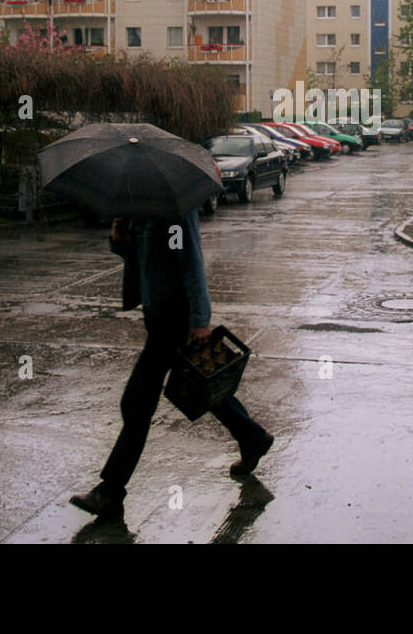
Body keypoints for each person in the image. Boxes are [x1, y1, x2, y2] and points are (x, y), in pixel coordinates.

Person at [70, 209, 274, 520]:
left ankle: (111, 492)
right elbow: (142, 263)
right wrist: (120, 240)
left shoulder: (174, 211)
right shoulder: (141, 211)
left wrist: (200, 319)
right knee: (200, 388)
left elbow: (190, 261)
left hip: (174, 320)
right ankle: (253, 438)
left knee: (137, 404)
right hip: (157, 319)